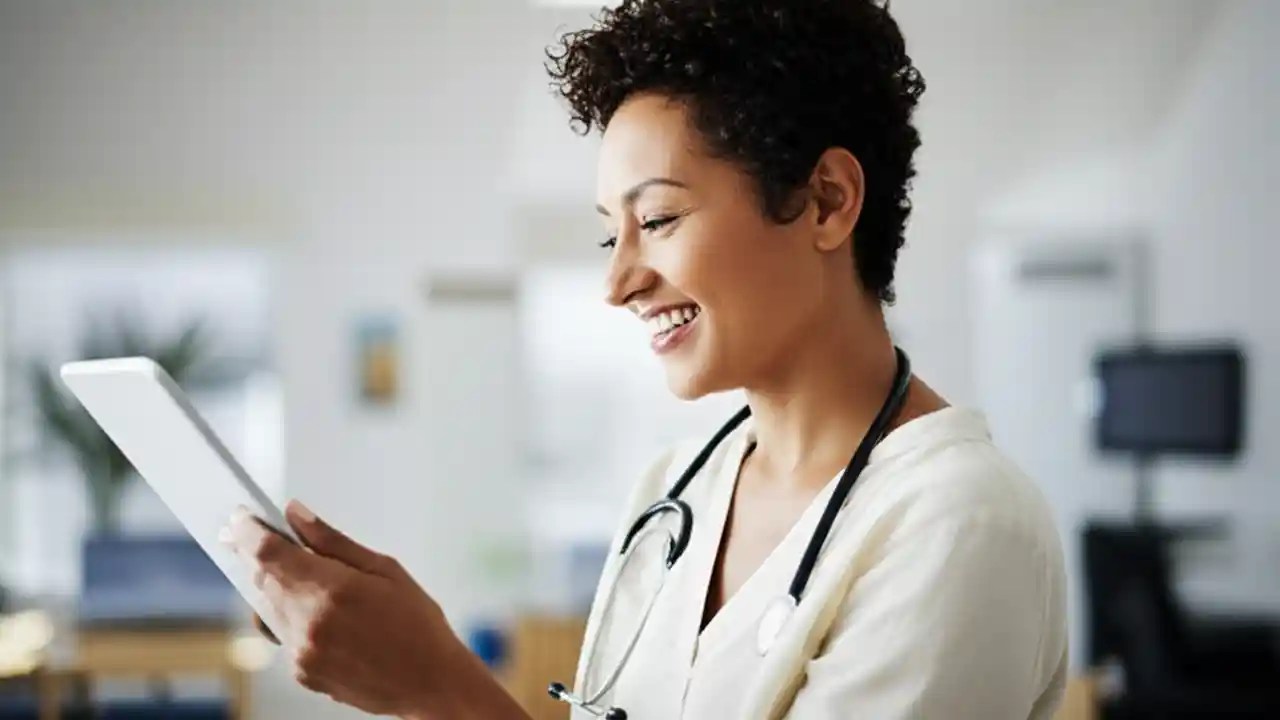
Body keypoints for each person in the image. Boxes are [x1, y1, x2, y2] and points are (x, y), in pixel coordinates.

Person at [223, 0, 1069, 718]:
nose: (619, 282)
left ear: (826, 201)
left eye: (657, 221)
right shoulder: (676, 490)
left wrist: (435, 687)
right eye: (610, 235)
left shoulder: (960, 521)